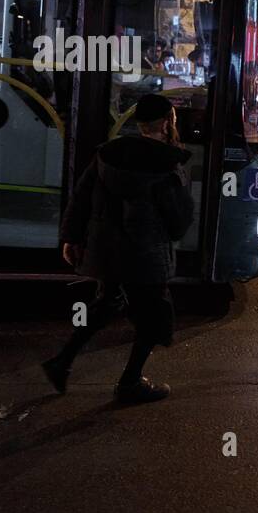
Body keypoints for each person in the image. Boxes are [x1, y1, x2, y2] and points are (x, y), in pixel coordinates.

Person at [42, 94, 194, 404]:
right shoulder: (168, 163)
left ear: (139, 124)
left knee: (107, 303)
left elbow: (81, 197)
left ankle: (62, 362)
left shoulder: (108, 153)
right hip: (146, 255)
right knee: (154, 316)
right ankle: (130, 383)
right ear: (167, 123)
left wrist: (71, 238)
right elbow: (177, 221)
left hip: (108, 250)